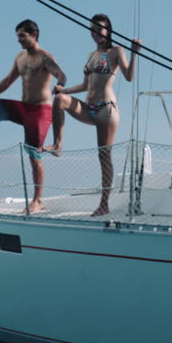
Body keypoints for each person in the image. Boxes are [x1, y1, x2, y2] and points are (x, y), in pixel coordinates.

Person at [42, 14, 140, 217]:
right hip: (90, 106)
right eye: (92, 30)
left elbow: (129, 76)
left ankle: (104, 203)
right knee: (60, 101)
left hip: (106, 109)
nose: (96, 33)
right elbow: (85, 85)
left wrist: (134, 53)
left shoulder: (116, 51)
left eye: (100, 29)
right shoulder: (91, 56)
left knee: (103, 156)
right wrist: (63, 90)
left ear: (108, 30)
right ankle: (58, 144)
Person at [0, 19, 66, 213]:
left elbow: (61, 75)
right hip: (23, 108)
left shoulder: (45, 57)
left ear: (34, 35)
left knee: (34, 156)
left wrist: (60, 86)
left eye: (22, 36)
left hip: (41, 112)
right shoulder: (20, 57)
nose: (19, 40)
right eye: (18, 36)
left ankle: (37, 200)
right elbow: (7, 81)